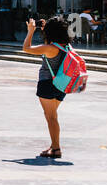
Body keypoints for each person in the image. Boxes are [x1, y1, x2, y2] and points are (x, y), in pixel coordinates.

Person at [23, 16, 73, 158]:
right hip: (61, 85)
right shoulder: (65, 46)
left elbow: (26, 48)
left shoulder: (49, 48)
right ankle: (53, 145)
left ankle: (56, 148)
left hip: (47, 84)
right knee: (52, 116)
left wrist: (31, 31)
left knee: (51, 117)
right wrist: (46, 31)